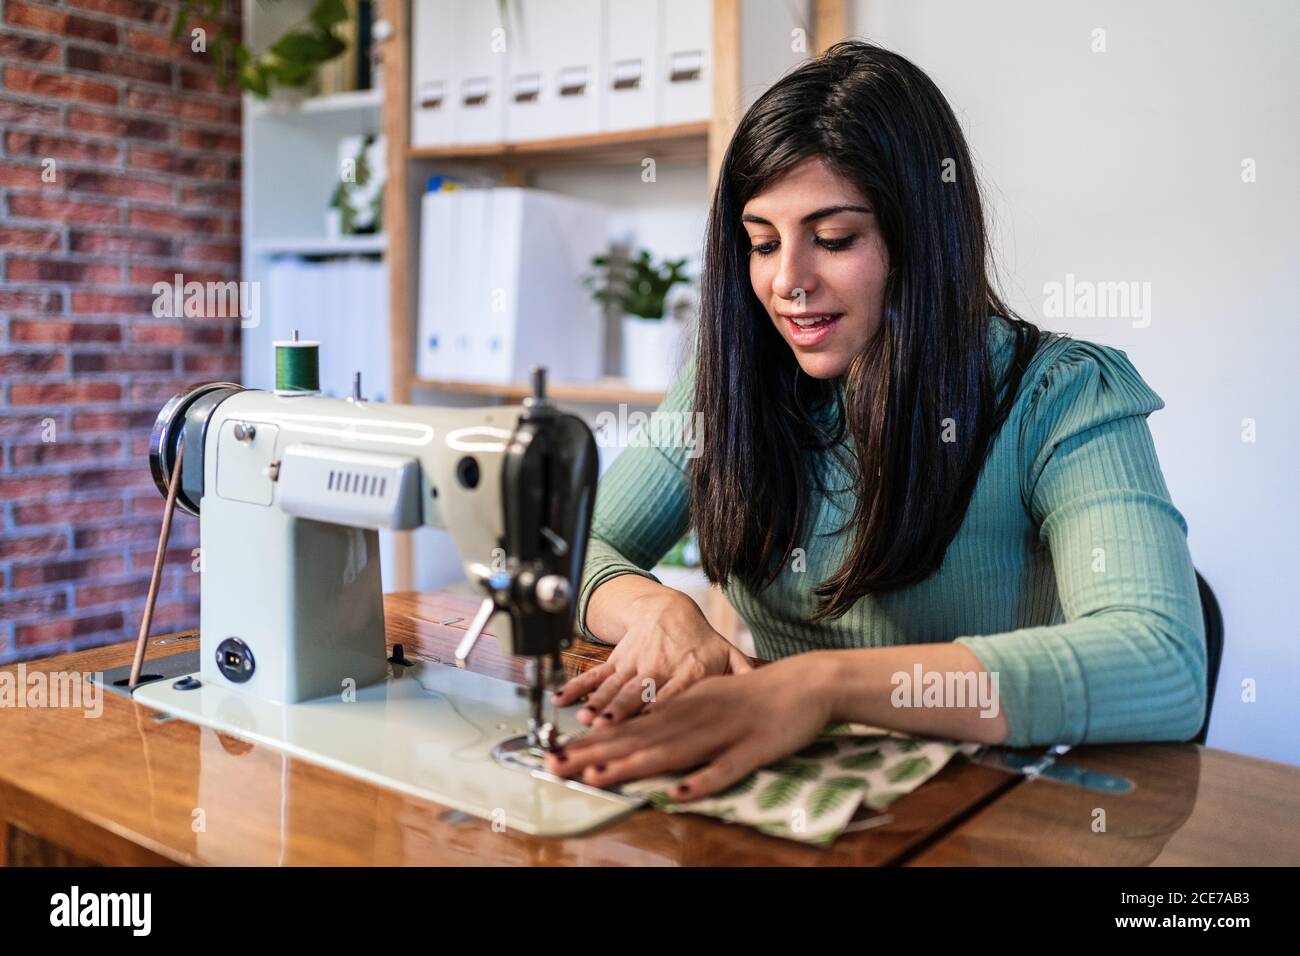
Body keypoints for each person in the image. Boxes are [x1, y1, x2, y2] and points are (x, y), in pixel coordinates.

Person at [543, 41, 1206, 802]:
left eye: (833, 239)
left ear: (919, 238)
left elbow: (1162, 660)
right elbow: (566, 547)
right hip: (799, 790)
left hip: (983, 806)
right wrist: (659, 607)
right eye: (762, 243)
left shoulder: (1063, 394)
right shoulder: (731, 385)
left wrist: (820, 685)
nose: (788, 281)